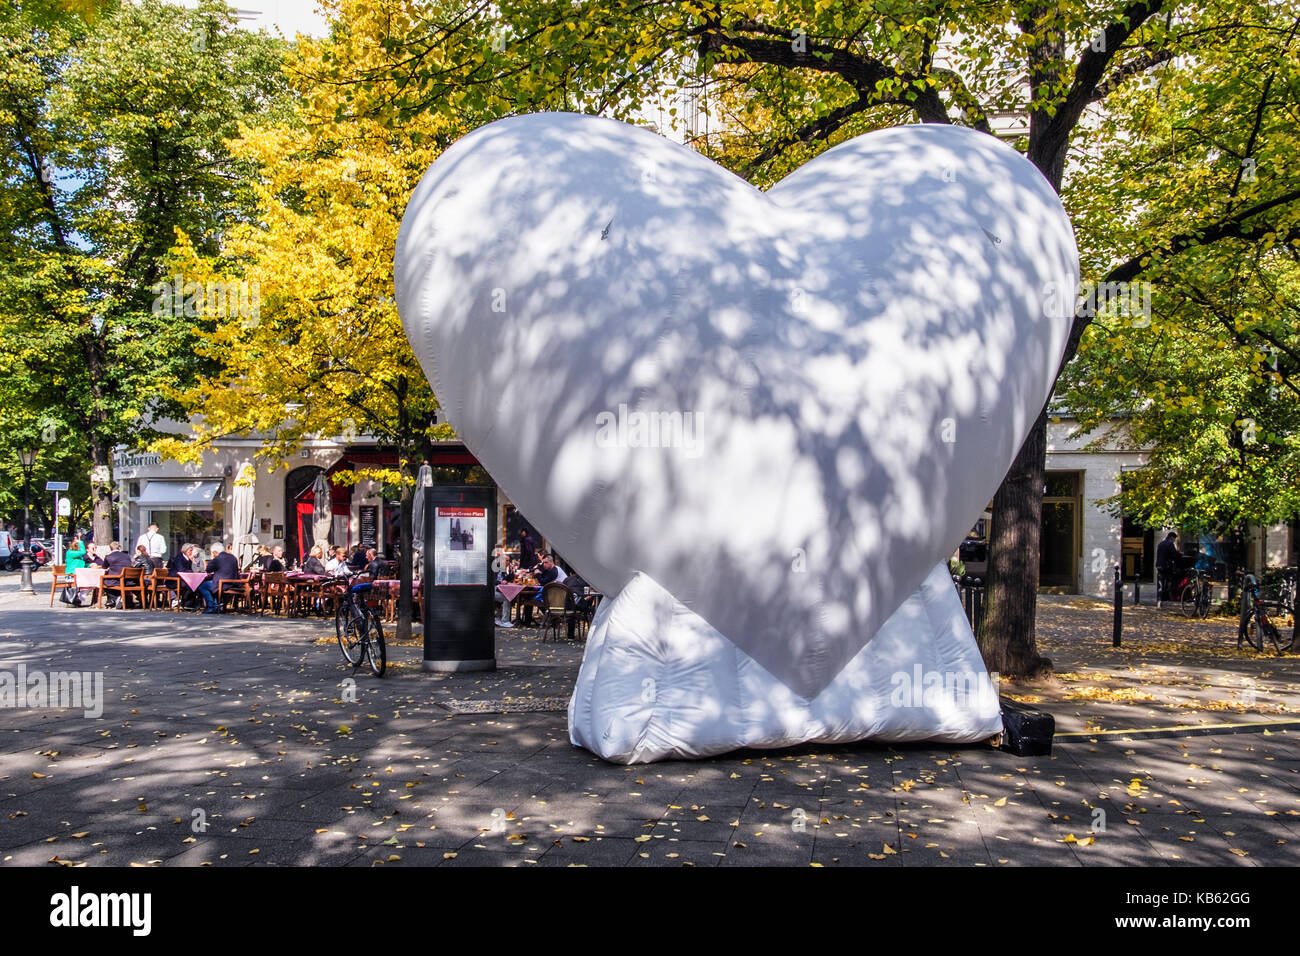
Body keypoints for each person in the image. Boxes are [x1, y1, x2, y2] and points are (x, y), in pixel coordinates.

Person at [198, 542, 240, 613]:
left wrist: (212, 558)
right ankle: (218, 605)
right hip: (233, 583)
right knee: (211, 585)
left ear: (214, 552)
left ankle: (211, 607)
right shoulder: (233, 557)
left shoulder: (217, 559)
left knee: (202, 586)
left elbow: (208, 569)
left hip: (222, 584)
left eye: (212, 552)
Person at [1156, 531, 1181, 599]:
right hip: (1166, 565)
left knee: (1160, 580)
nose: (1174, 540)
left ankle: (1159, 596)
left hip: (1159, 564)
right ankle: (1165, 596)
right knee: (1167, 580)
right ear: (1172, 537)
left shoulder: (1161, 543)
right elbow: (1174, 554)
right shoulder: (1170, 544)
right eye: (1174, 539)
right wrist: (1179, 554)